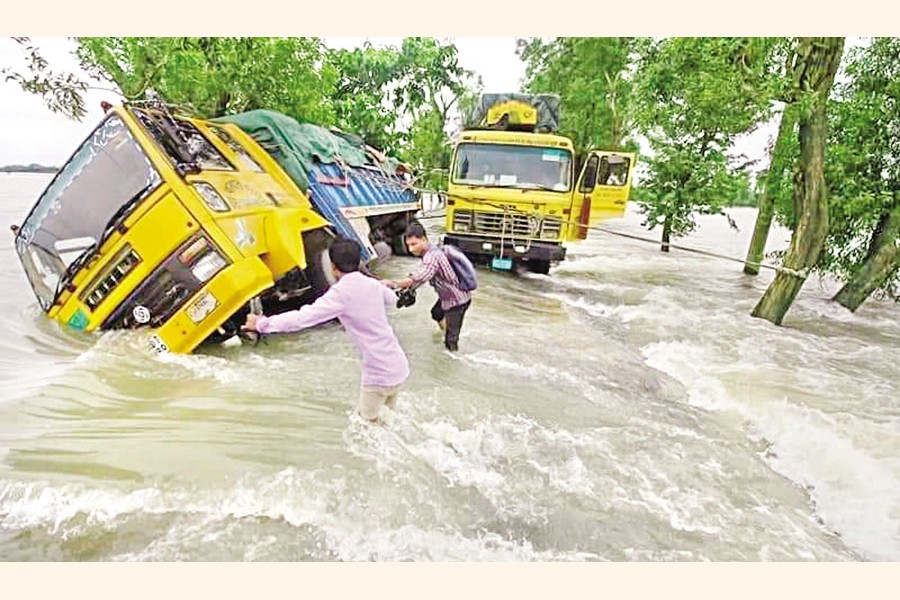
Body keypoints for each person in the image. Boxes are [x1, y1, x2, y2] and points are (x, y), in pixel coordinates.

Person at [243, 237, 409, 423]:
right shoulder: (372, 284)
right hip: (398, 366)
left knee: (366, 426)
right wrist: (385, 285)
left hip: (378, 373)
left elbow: (302, 318)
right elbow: (393, 300)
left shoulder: (340, 294)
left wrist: (261, 324)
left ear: (333, 266)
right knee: (388, 422)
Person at [385, 222, 471, 352]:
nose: (411, 249)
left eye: (414, 244)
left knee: (451, 342)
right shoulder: (430, 251)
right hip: (448, 296)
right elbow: (425, 276)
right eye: (408, 245)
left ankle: (453, 358)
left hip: (458, 300)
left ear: (424, 239)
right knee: (436, 313)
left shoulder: (432, 256)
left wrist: (393, 283)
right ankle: (446, 332)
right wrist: (409, 289)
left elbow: (420, 276)